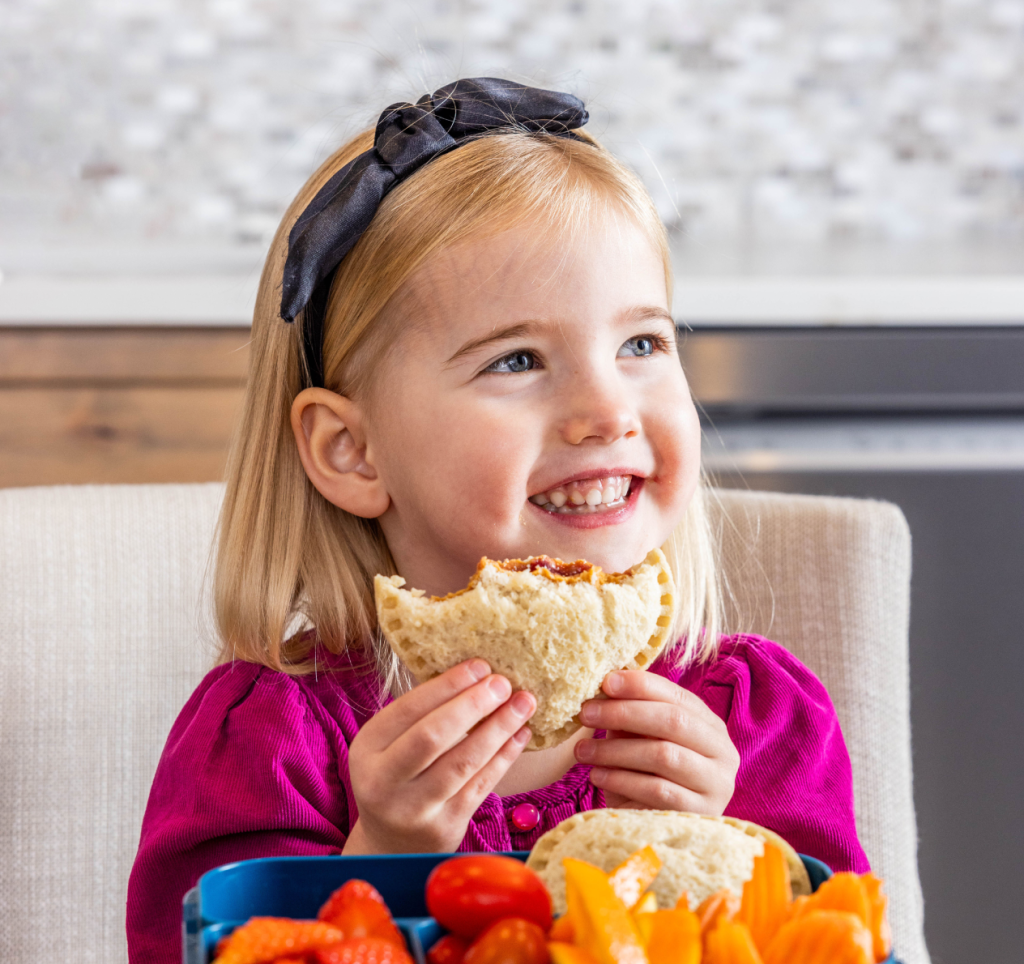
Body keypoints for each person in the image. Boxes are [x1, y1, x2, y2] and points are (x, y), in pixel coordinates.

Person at [126, 78, 868, 962]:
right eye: (517, 360)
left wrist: (725, 858)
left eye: (641, 343)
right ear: (352, 451)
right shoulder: (269, 742)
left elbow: (842, 940)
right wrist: (385, 857)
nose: (607, 412)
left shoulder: (758, 725)